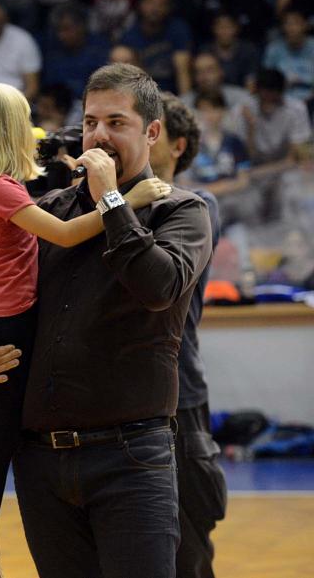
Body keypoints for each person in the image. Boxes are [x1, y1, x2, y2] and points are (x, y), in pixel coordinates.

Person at [0, 63, 212, 578]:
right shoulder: (50, 211)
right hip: (42, 465)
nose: (99, 135)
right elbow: (0, 284)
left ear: (152, 131)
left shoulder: (183, 212)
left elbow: (158, 288)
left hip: (132, 460)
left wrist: (113, 201)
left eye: (116, 122)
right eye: (90, 122)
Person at [152, 93, 228, 578]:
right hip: (120, 397)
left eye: (151, 127)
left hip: (181, 391)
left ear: (177, 145)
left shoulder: (199, 205)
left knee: (190, 542)